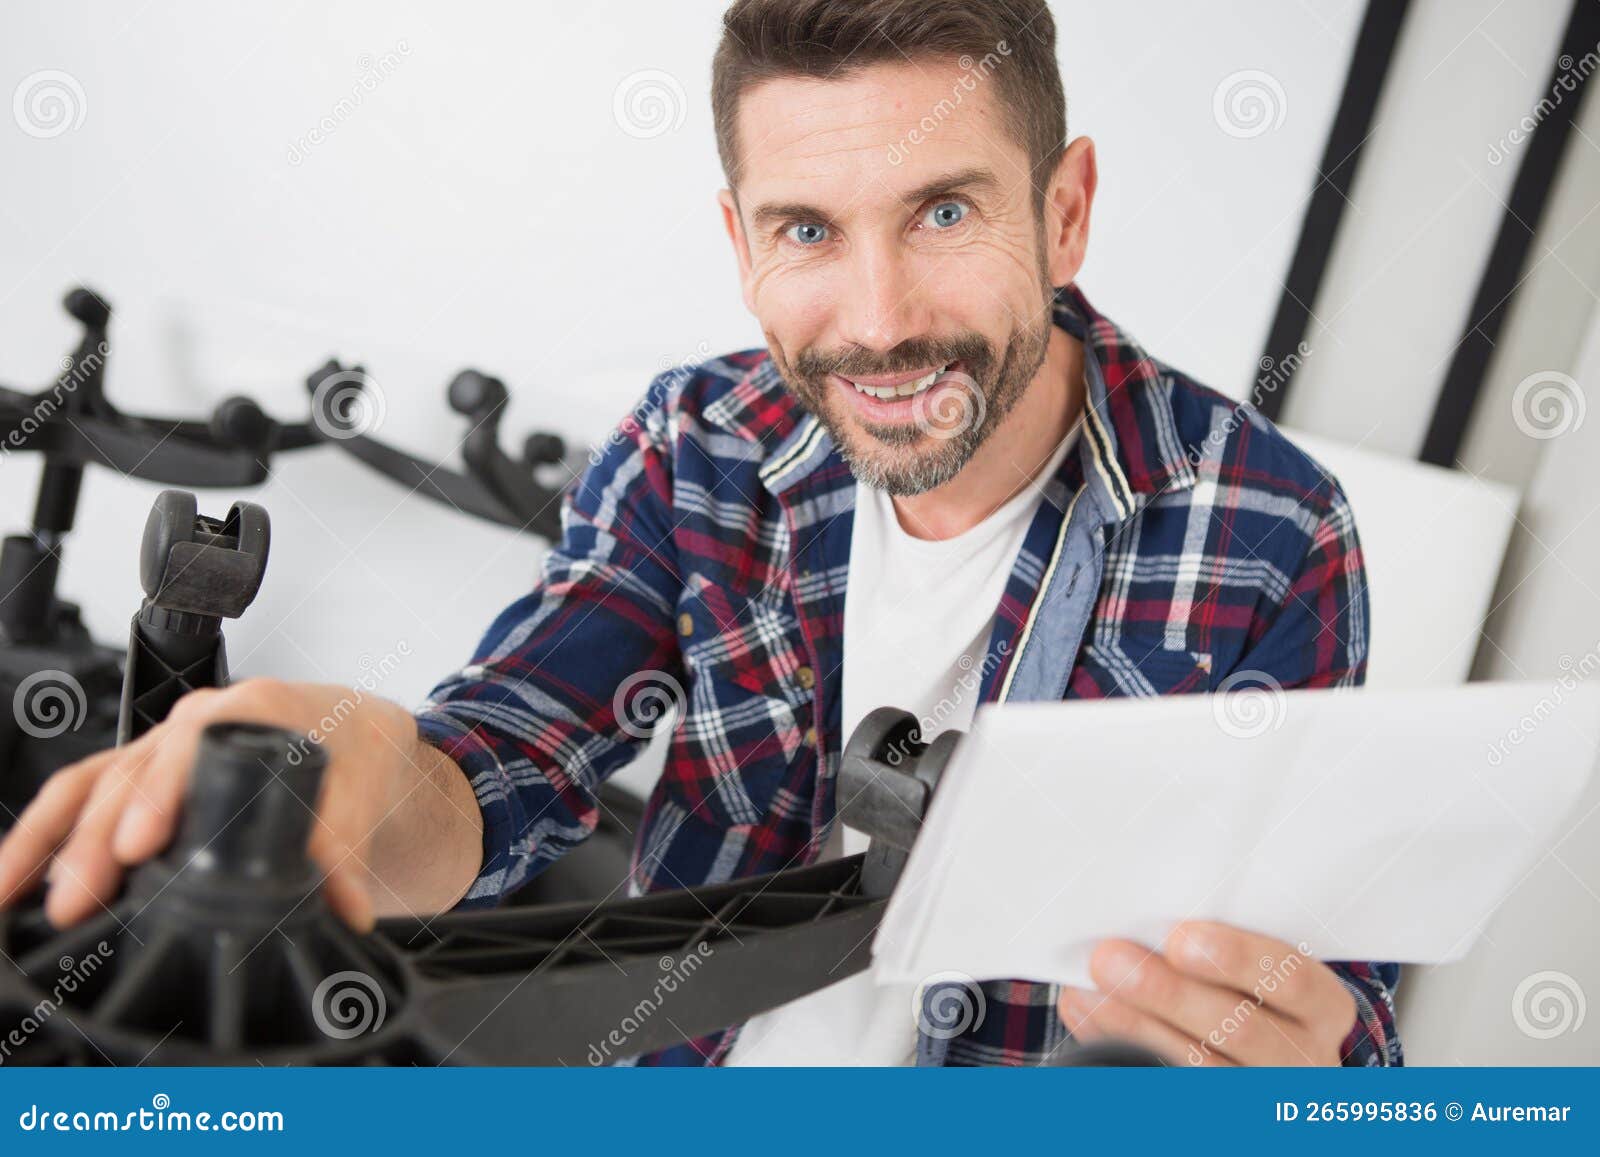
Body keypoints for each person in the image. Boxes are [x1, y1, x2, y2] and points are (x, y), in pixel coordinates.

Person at [0, 0, 1399, 1067]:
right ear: (742, 243)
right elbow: (486, 774)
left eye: (947, 212)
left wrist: (1312, 1072)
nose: (877, 316)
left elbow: (1341, 1022)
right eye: (807, 230)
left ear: (1066, 208)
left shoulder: (1271, 533)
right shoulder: (697, 449)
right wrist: (351, 754)